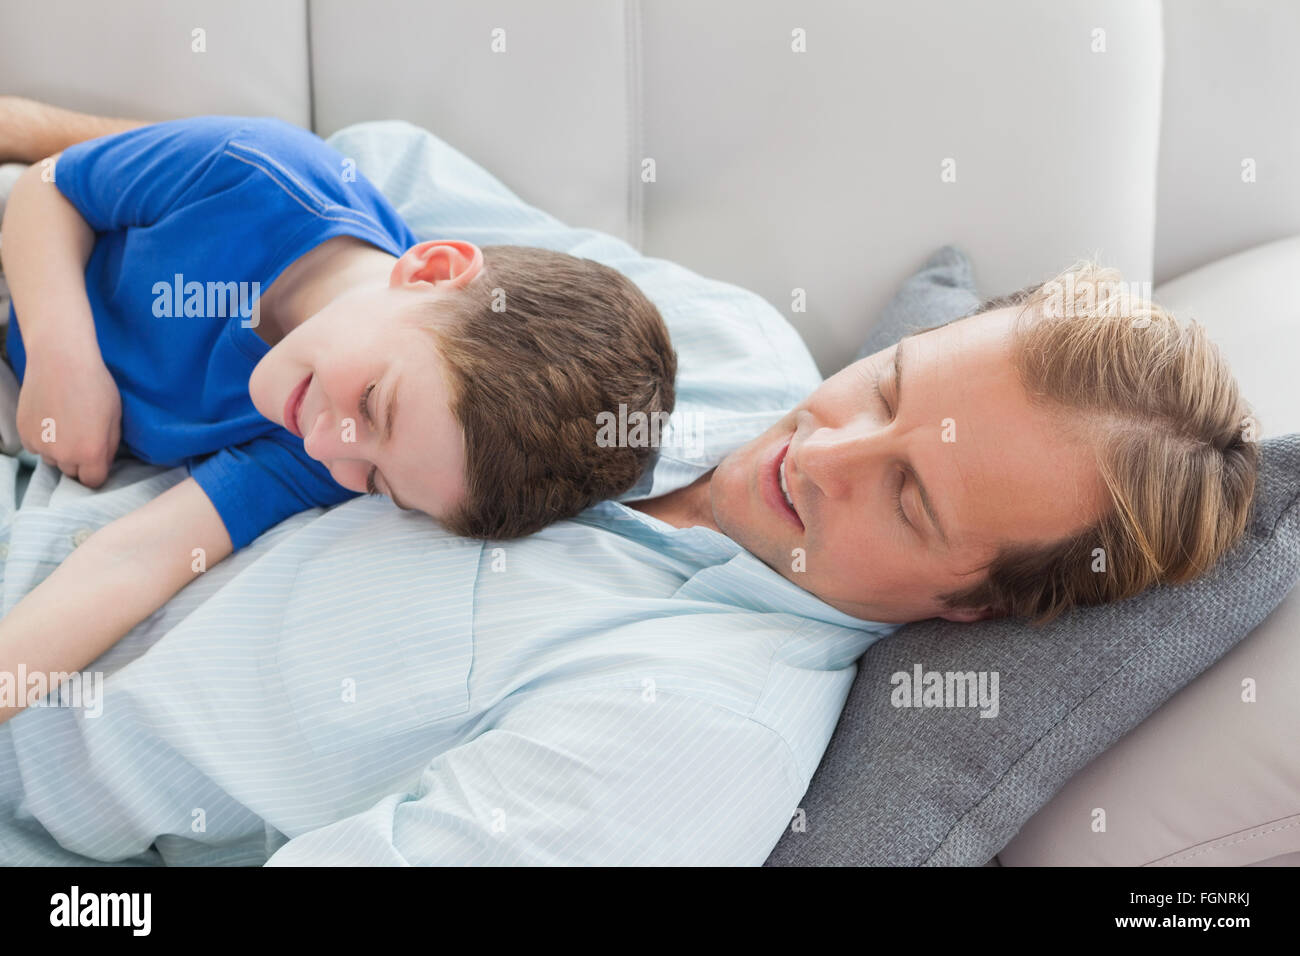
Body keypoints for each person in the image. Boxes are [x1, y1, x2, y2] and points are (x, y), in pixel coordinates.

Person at [0, 101, 1259, 865]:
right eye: (884, 386)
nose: (810, 454)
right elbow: (315, 204)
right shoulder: (720, 346)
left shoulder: (686, 744)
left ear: (971, 605)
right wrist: (49, 191)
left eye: (909, 498)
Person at [0, 102, 676, 719]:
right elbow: (51, 187)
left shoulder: (332, 454)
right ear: (433, 271)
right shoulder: (255, 171)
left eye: (378, 482)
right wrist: (66, 359)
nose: (326, 445)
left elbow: (141, 558)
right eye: (375, 404)